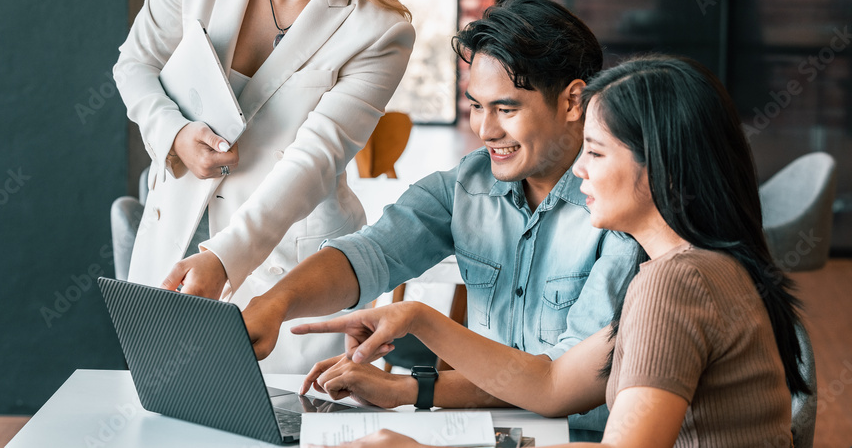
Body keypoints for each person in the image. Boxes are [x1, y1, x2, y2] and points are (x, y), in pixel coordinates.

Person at [295, 54, 808, 448]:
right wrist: (418, 319)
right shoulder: (699, 268)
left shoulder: (677, 282)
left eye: (596, 152)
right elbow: (551, 382)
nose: (578, 168)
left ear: (661, 168)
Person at [243, 0, 643, 433]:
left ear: (572, 101)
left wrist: (411, 386)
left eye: (506, 109)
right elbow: (371, 253)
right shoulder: (468, 185)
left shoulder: (622, 210)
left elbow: (560, 381)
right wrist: (275, 304)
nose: (485, 130)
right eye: (477, 106)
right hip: (491, 434)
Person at [113, 0, 414, 373]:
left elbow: (314, 160)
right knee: (163, 411)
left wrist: (225, 260)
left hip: (287, 266)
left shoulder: (381, 31)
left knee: (282, 415)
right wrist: (174, 134)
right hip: (173, 241)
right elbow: (136, 63)